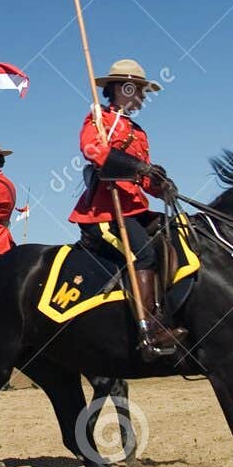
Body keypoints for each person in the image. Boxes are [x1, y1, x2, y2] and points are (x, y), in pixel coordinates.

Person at [67, 58, 183, 358]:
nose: (142, 97)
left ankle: (170, 309)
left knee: (176, 233)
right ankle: (149, 330)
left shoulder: (138, 131)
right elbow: (93, 150)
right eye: (139, 90)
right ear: (123, 88)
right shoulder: (99, 118)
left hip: (133, 208)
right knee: (143, 253)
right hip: (104, 212)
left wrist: (161, 185)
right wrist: (137, 166)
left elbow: (143, 178)